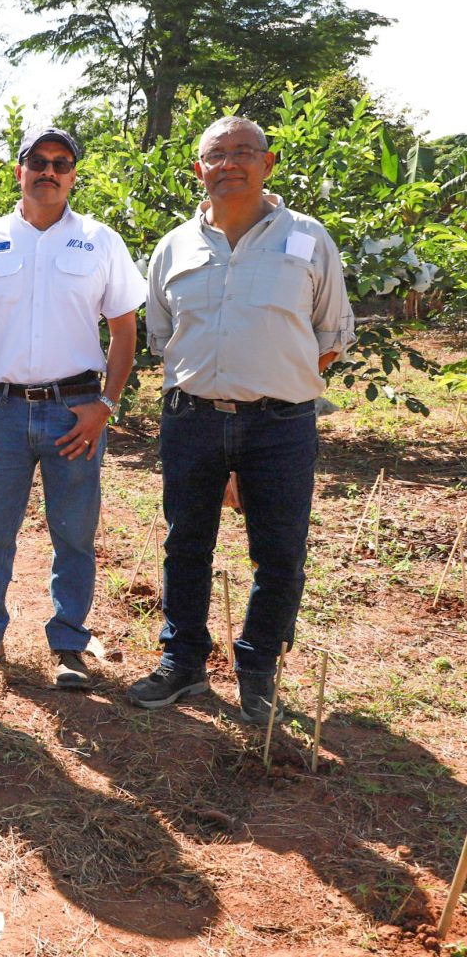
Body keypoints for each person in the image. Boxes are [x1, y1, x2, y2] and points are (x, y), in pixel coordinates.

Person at [127, 115, 355, 720]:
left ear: (267, 162)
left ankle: (257, 671)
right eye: (216, 154)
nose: (229, 163)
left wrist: (269, 386)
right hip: (192, 419)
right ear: (199, 169)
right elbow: (164, 337)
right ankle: (183, 663)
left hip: (280, 425)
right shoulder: (174, 246)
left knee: (279, 552)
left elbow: (329, 336)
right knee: (185, 544)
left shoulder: (308, 239)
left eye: (244, 152)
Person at [0, 128, 146, 690]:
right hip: (4, 411)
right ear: (20, 171)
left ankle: (69, 644)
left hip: (75, 411)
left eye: (61, 163)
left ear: (73, 175)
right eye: (38, 161)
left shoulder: (100, 241)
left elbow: (124, 330)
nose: (49, 172)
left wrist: (105, 405)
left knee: (74, 533)